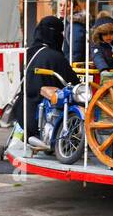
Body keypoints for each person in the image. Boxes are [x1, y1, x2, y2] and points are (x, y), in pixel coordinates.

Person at [11, 16, 77, 151]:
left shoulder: (29, 53)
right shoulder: (56, 57)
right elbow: (73, 82)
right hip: (45, 117)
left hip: (23, 111)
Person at [58, 0, 87, 67]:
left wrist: (64, 66)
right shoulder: (66, 23)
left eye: (66, 6)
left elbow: (76, 54)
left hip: (70, 66)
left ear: (74, 8)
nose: (62, 9)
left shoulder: (75, 26)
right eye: (61, 5)